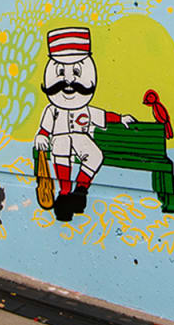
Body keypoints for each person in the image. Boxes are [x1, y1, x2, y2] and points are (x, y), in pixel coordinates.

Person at [34, 27, 135, 222]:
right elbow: (46, 128)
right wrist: (41, 136)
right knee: (61, 143)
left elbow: (104, 116)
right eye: (61, 72)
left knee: (95, 154)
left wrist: (121, 118)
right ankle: (64, 191)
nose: (69, 80)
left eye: (77, 71)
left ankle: (80, 189)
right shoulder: (53, 110)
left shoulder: (86, 110)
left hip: (80, 139)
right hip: (60, 140)